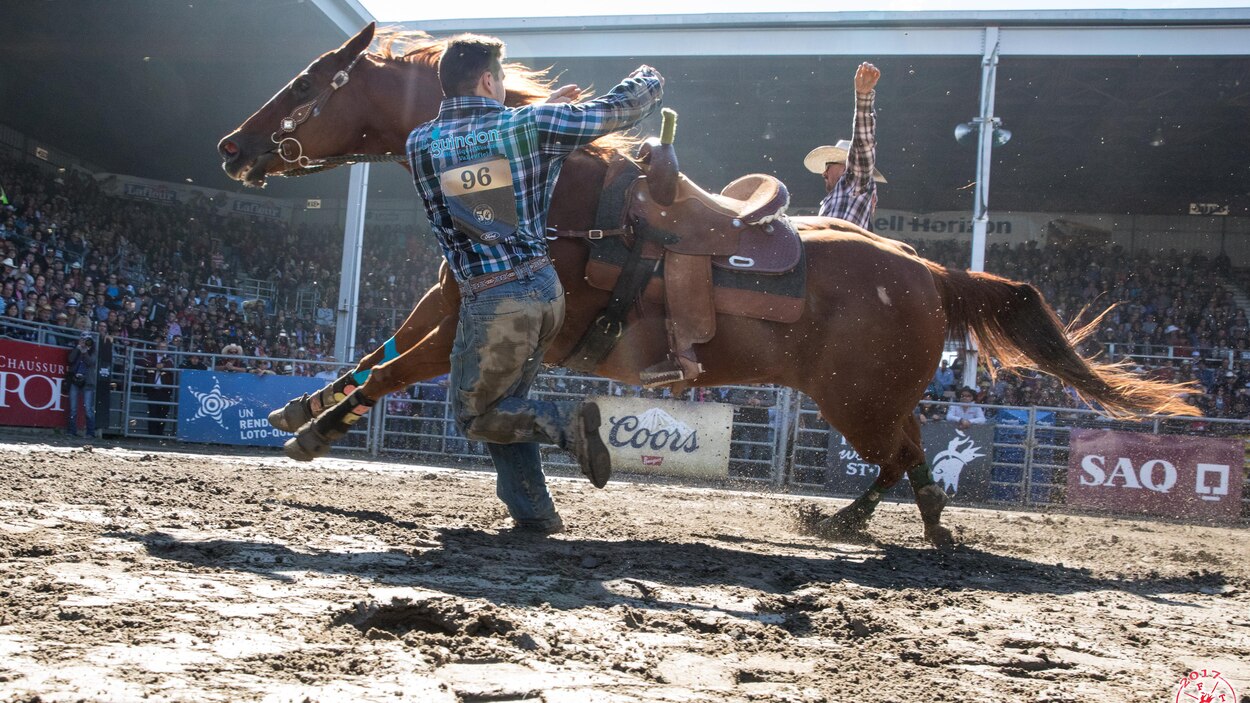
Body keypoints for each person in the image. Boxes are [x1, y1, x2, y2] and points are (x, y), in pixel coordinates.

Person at [401, 34, 663, 533]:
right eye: (499, 78)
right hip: (544, 292)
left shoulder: (421, 142)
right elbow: (617, 110)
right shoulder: (531, 125)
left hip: (495, 298)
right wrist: (649, 77)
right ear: (487, 79)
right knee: (505, 408)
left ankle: (564, 423)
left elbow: (481, 175)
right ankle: (534, 512)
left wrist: (540, 117)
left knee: (477, 417)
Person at [802, 62, 886, 231]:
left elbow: (862, 145)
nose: (824, 173)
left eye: (828, 166)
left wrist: (863, 99)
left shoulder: (854, 183)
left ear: (847, 166)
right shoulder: (841, 197)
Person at [65, 333, 96, 438]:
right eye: (83, 340)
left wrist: (85, 352)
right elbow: (70, 359)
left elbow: (91, 362)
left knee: (88, 409)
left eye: (87, 340)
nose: (85, 342)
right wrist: (78, 348)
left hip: (88, 382)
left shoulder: (93, 351)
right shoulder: (77, 349)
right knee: (73, 408)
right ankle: (72, 431)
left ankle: (90, 432)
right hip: (75, 380)